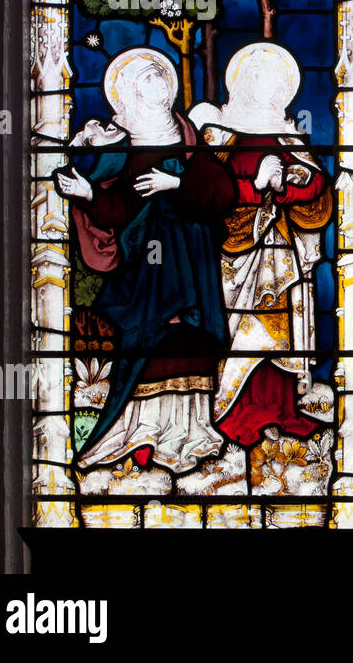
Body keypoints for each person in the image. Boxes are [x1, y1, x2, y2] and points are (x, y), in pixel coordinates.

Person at [56, 48, 237, 474]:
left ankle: (192, 431)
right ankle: (140, 430)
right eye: (149, 77)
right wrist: (88, 195)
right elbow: (119, 208)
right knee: (147, 337)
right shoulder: (124, 140)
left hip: (192, 258)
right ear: (131, 91)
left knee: (188, 337)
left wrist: (176, 183)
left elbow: (222, 191)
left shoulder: (186, 132)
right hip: (147, 263)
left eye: (162, 75)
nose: (160, 83)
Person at [189, 43, 334, 448]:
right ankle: (232, 413)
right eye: (258, 80)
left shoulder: (288, 135)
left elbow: (319, 189)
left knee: (279, 332)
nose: (266, 90)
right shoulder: (218, 135)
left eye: (274, 84)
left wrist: (295, 183)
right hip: (232, 251)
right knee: (238, 330)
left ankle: (281, 410)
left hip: (279, 249)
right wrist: (253, 187)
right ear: (242, 85)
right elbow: (204, 194)